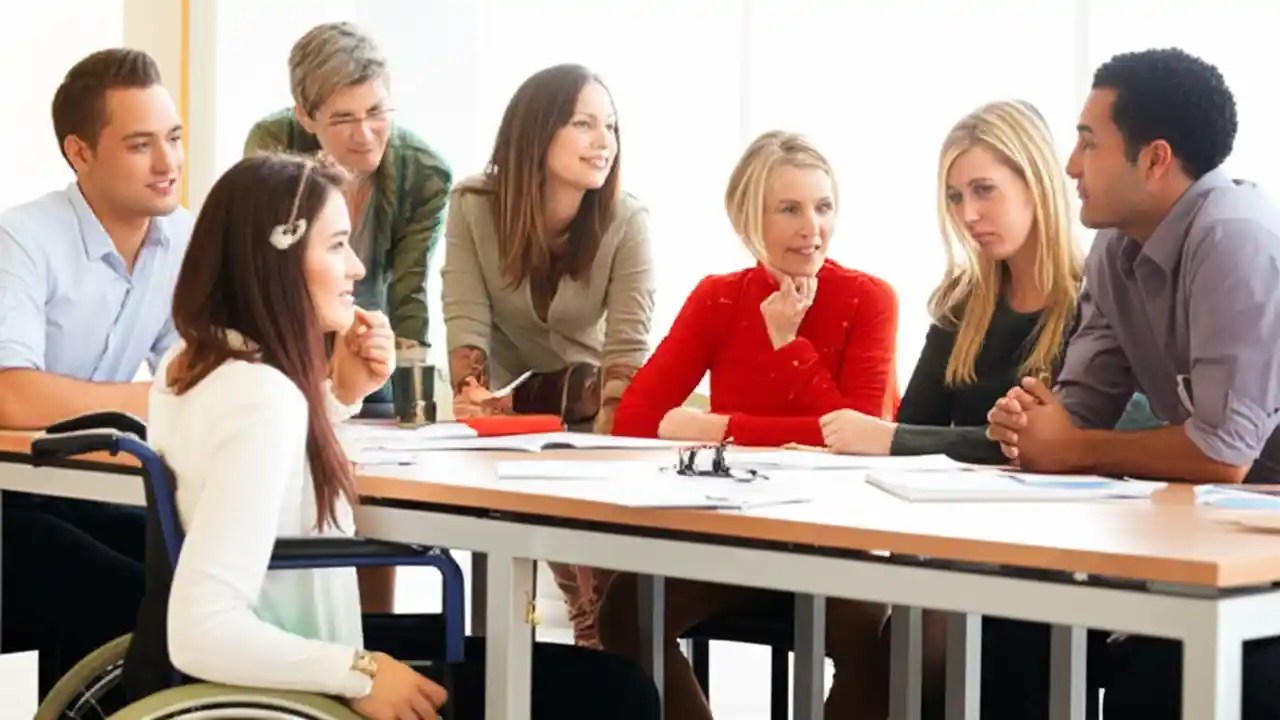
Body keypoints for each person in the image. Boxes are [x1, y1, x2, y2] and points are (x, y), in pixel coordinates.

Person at [144, 153, 660, 720]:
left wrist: (339, 393)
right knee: (615, 691)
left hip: (289, 664)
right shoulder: (263, 401)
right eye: (337, 245)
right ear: (281, 260)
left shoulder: (190, 368)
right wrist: (361, 674)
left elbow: (256, 469)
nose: (357, 269)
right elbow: (200, 628)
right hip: (299, 687)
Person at [987, 48, 1280, 718]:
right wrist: (1031, 426)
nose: (1070, 166)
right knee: (1008, 633)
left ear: (1154, 159)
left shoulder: (1237, 237)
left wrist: (1072, 448)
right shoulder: (1116, 250)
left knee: (1161, 679)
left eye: (1089, 143)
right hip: (1210, 542)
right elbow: (1081, 407)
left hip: (1256, 559)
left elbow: (1221, 455)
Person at [601, 131, 897, 720]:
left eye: (823, 206)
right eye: (789, 209)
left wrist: (724, 419)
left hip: (837, 542)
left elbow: (858, 438)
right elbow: (634, 420)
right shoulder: (719, 298)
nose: (811, 226)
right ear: (747, 219)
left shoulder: (869, 299)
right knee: (625, 611)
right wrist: (772, 427)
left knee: (877, 638)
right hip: (735, 539)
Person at [441, 63, 654, 649]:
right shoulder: (473, 205)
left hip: (594, 410)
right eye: (583, 123)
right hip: (512, 410)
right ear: (536, 133)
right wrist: (472, 398)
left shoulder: (627, 220)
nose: (603, 140)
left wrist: (605, 453)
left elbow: (627, 351)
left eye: (610, 126)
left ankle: (597, 632)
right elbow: (465, 316)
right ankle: (585, 630)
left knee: (599, 591)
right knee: (569, 583)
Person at [0, 48, 190, 693]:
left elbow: (202, 372)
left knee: (191, 562)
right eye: (141, 145)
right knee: (127, 592)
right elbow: (12, 396)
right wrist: (157, 397)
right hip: (8, 498)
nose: (168, 163)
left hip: (69, 490)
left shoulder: (180, 239)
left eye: (173, 138)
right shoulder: (23, 239)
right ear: (80, 154)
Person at [818, 99, 1082, 465]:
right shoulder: (962, 302)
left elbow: (1061, 441)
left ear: (1035, 183)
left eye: (984, 189)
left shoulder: (1094, 301)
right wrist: (898, 438)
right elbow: (915, 426)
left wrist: (894, 438)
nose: (967, 215)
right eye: (955, 197)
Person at [244, 21, 451, 409]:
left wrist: (414, 406)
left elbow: (410, 289)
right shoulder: (274, 150)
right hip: (286, 358)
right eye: (342, 119)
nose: (365, 134)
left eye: (376, 111)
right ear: (305, 117)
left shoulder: (424, 172)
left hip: (370, 349)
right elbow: (270, 274)